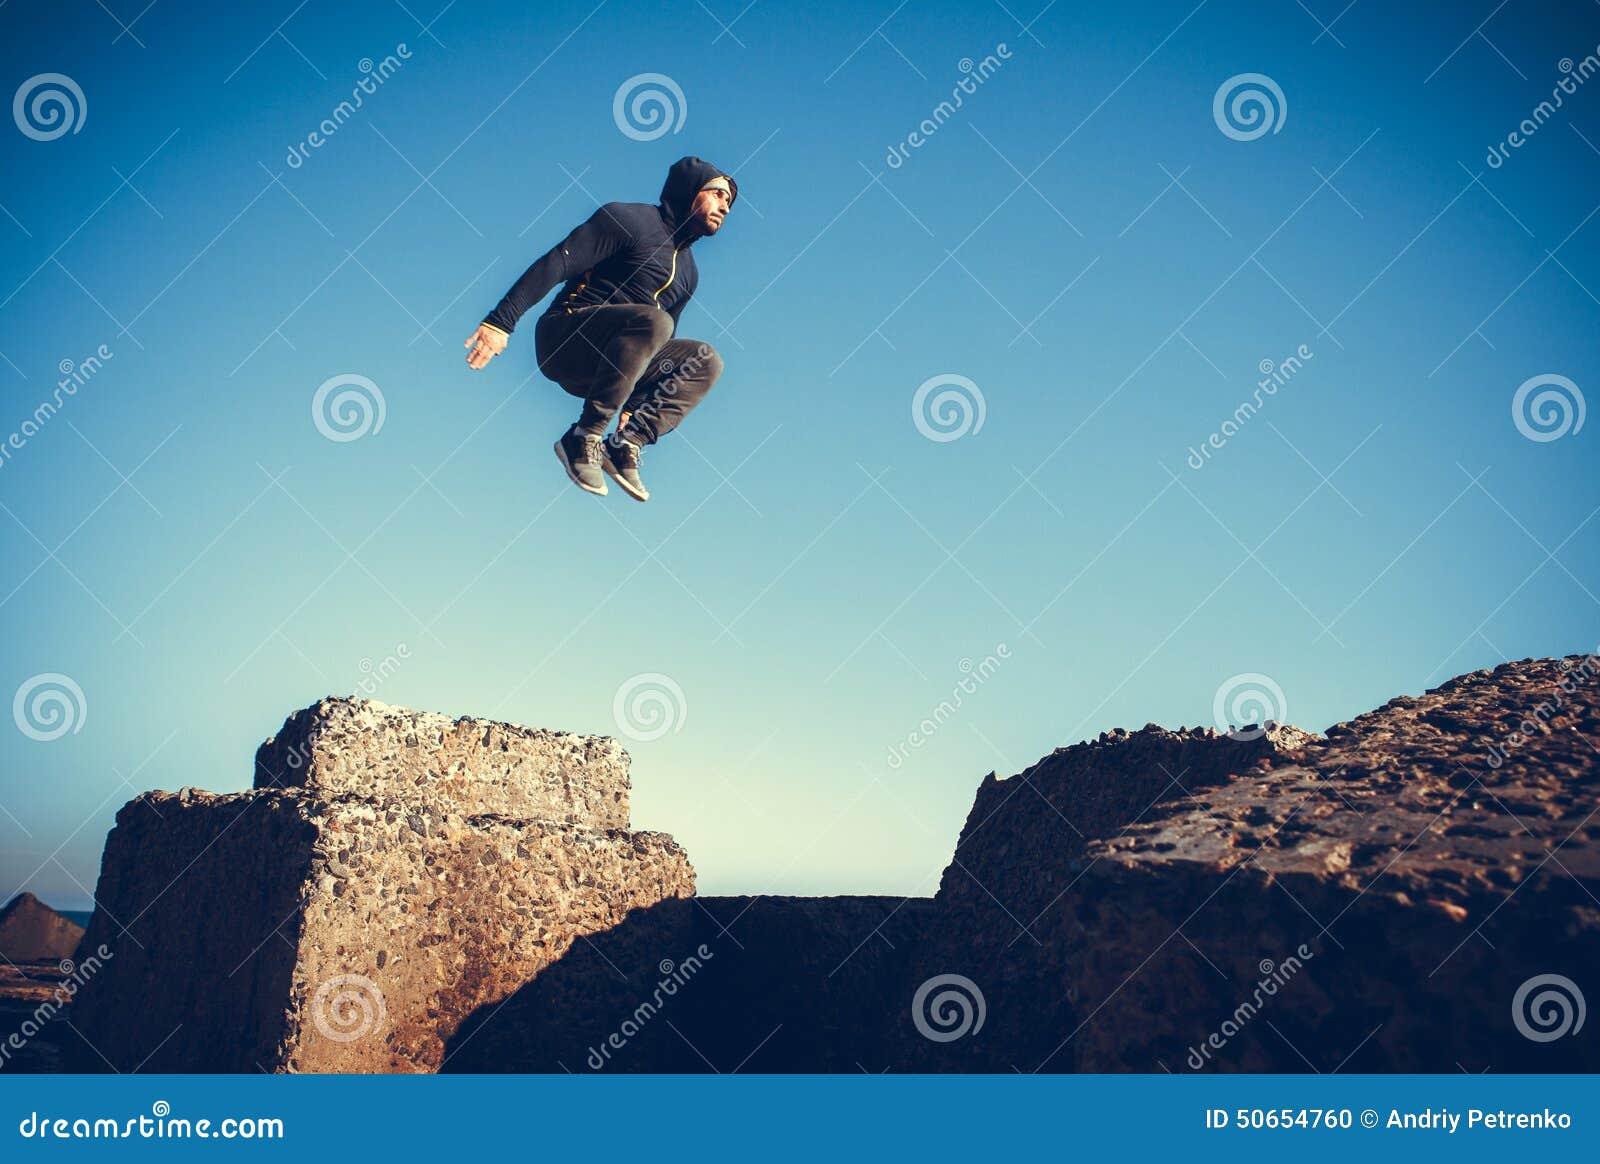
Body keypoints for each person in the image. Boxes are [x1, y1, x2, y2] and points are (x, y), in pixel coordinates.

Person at [463, 156, 737, 502]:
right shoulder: (630, 220)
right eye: (717, 194)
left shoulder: (689, 273)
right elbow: (557, 262)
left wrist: (636, 407)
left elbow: (659, 344)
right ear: (690, 190)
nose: (725, 207)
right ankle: (582, 436)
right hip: (564, 339)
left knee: (706, 359)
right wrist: (501, 321)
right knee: (656, 321)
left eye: (729, 201)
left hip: (613, 366)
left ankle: (624, 444)